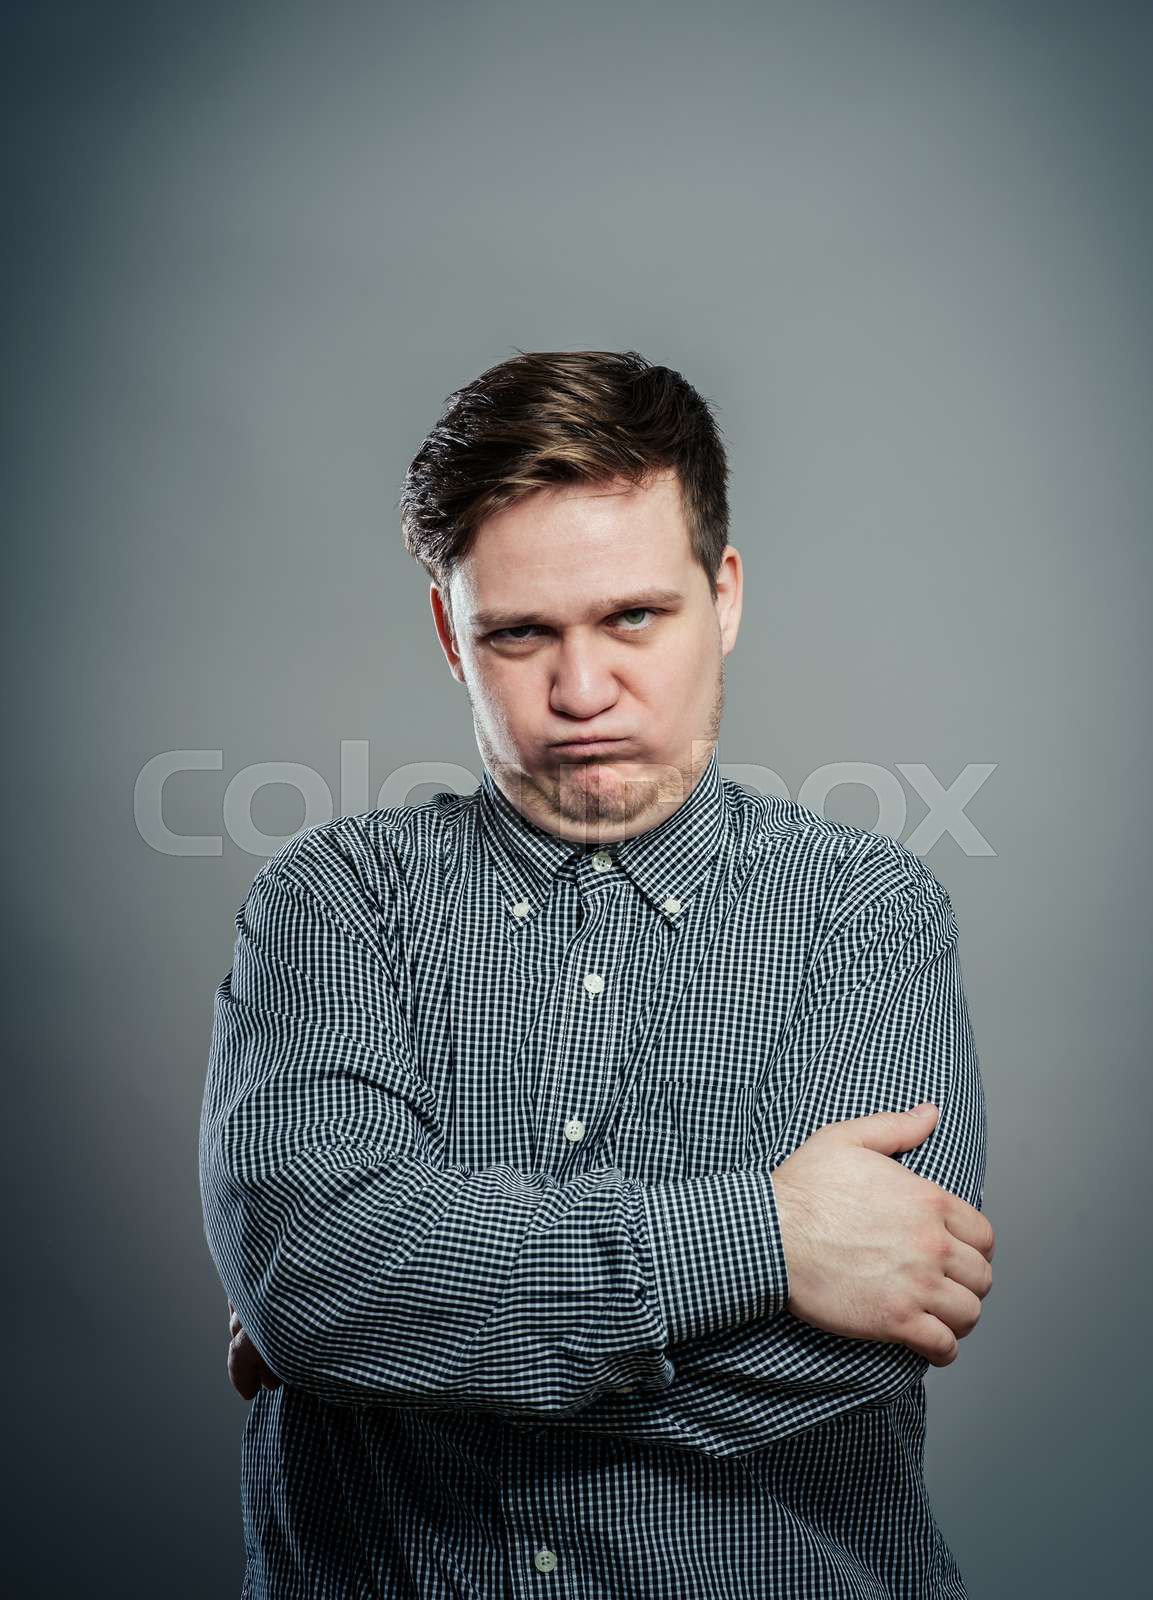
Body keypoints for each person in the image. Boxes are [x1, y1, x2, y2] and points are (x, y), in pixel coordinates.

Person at [200, 349, 994, 1599]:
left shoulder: (868, 914)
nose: (580, 691)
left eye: (633, 616)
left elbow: (860, 1349)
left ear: (722, 596)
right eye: (518, 633)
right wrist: (761, 1237)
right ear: (448, 637)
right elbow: (315, 1278)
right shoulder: (327, 904)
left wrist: (383, 1347)